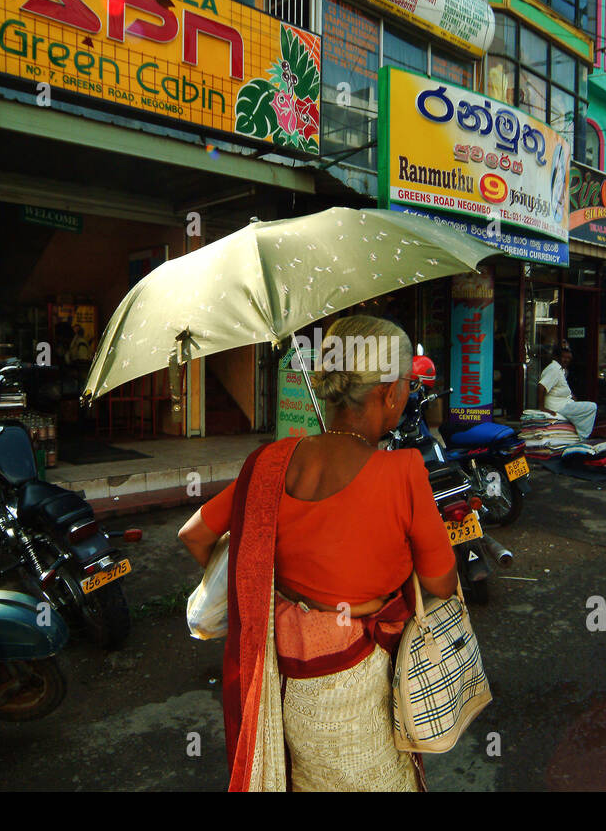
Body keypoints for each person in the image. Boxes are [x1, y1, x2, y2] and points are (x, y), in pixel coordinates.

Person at [177, 315, 457, 792]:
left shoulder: (269, 463)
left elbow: (194, 535)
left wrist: (265, 586)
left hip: (281, 688)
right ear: (388, 392)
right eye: (408, 383)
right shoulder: (404, 470)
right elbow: (441, 584)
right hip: (358, 696)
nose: (409, 394)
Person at [537, 342, 598, 438]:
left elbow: (564, 390)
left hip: (564, 404)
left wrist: (574, 400)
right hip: (558, 407)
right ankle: (583, 436)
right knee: (592, 407)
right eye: (564, 358)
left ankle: (578, 433)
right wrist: (542, 408)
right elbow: (541, 386)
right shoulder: (554, 369)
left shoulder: (560, 369)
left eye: (569, 358)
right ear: (557, 357)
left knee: (584, 408)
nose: (567, 360)